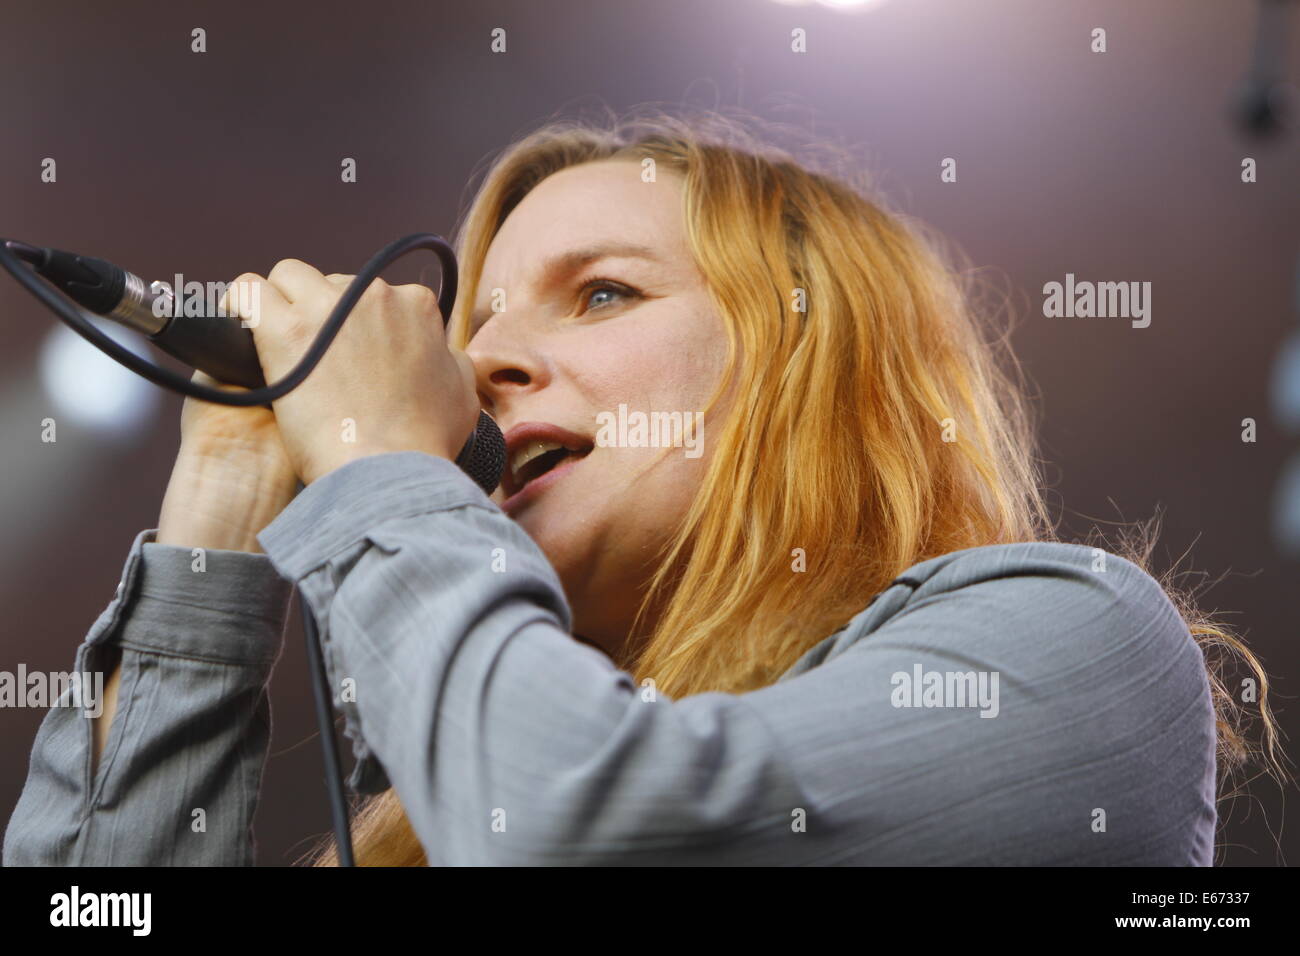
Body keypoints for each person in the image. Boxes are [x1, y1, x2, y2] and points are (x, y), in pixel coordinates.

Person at [2, 107, 1284, 866]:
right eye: (470, 327)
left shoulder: (1073, 642)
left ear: (805, 363)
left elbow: (571, 822)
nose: (477, 363)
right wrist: (223, 507)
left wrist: (385, 464)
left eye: (603, 291)